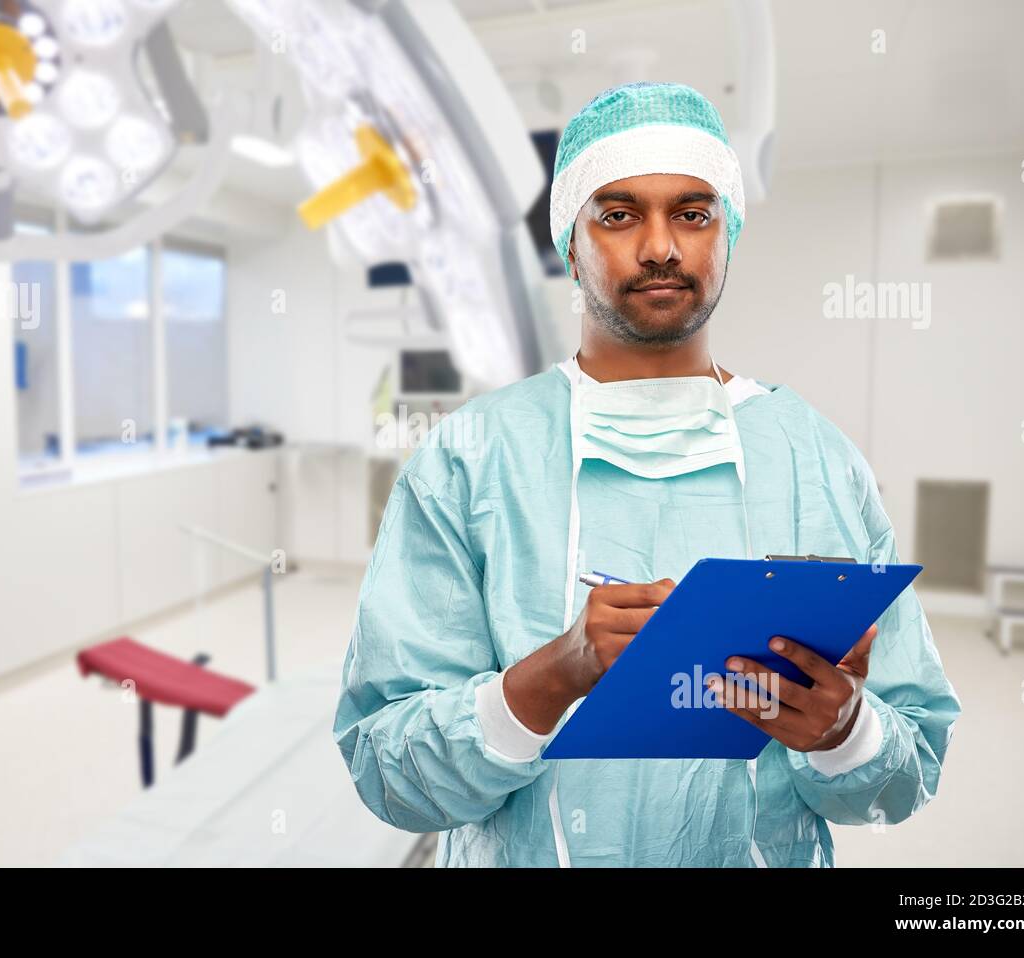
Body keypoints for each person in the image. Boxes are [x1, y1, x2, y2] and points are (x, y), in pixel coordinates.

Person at [333, 81, 962, 867]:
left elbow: (906, 768)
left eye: (693, 214)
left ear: (727, 235)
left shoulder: (818, 462)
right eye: (619, 213)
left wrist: (844, 731)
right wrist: (556, 674)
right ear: (570, 243)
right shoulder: (468, 458)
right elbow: (388, 767)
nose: (660, 246)